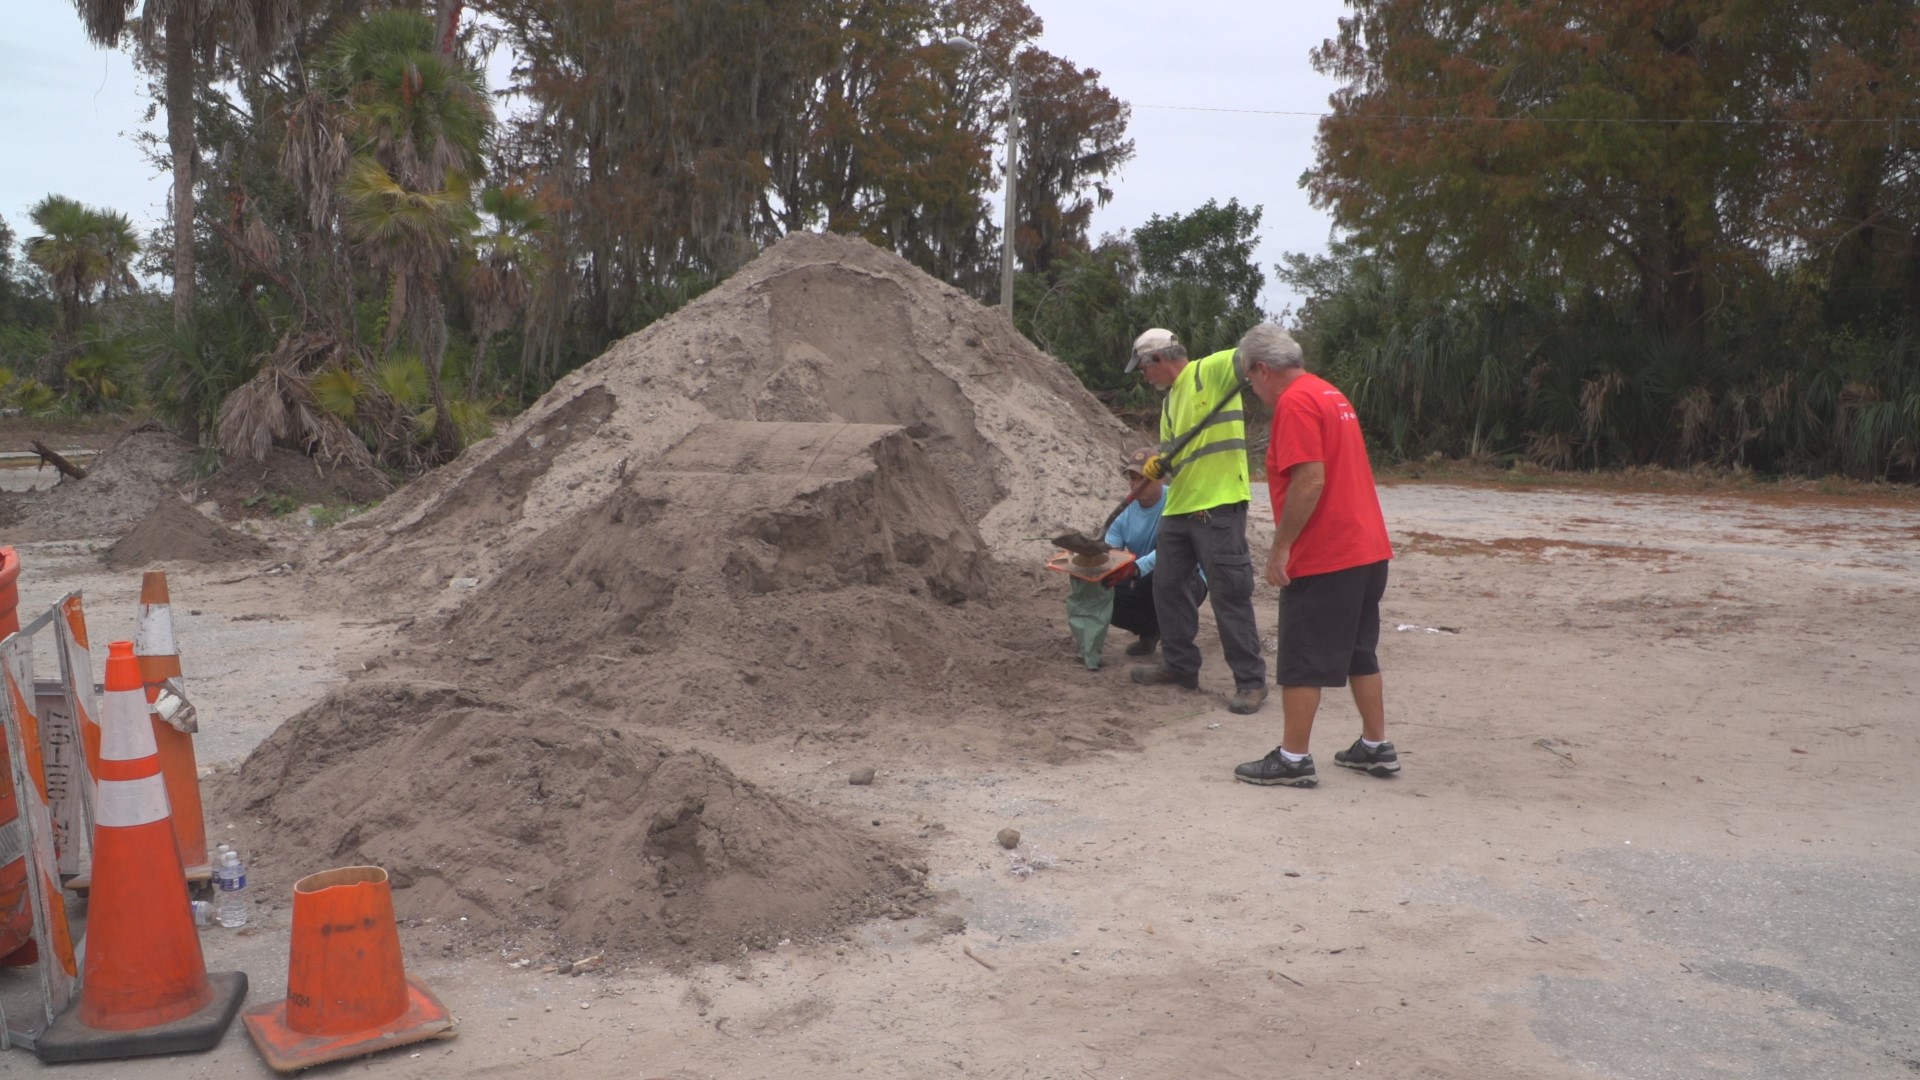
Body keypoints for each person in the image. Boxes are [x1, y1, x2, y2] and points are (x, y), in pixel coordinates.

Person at [1229, 324, 1398, 788]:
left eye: (1250, 379)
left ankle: (1293, 757)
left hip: (1328, 551)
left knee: (1302, 654)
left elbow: (1310, 480)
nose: (1254, 390)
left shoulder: (1296, 402)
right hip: (1367, 547)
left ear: (1262, 369)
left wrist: (1281, 547)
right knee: (1359, 650)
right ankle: (1375, 746)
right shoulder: (1330, 394)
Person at [1124, 328, 1268, 715]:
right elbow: (1173, 450)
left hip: (1219, 502)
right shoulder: (1171, 402)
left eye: (1143, 367)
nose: (1143, 376)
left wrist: (1262, 344)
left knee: (1228, 591)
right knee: (1168, 585)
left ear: (1158, 358)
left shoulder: (1211, 370)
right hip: (1181, 505)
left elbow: (1253, 353)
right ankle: (1180, 666)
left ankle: (1251, 682)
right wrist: (1161, 459)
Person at [1100, 447, 1172, 656]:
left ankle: (1176, 647)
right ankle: (1150, 632)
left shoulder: (1176, 502)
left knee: (1168, 576)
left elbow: (1173, 552)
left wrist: (1134, 568)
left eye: (1143, 478)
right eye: (1132, 478)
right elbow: (1111, 553)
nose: (1135, 485)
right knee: (1103, 591)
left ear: (1160, 479)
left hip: (1184, 575)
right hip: (1142, 575)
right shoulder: (1123, 514)